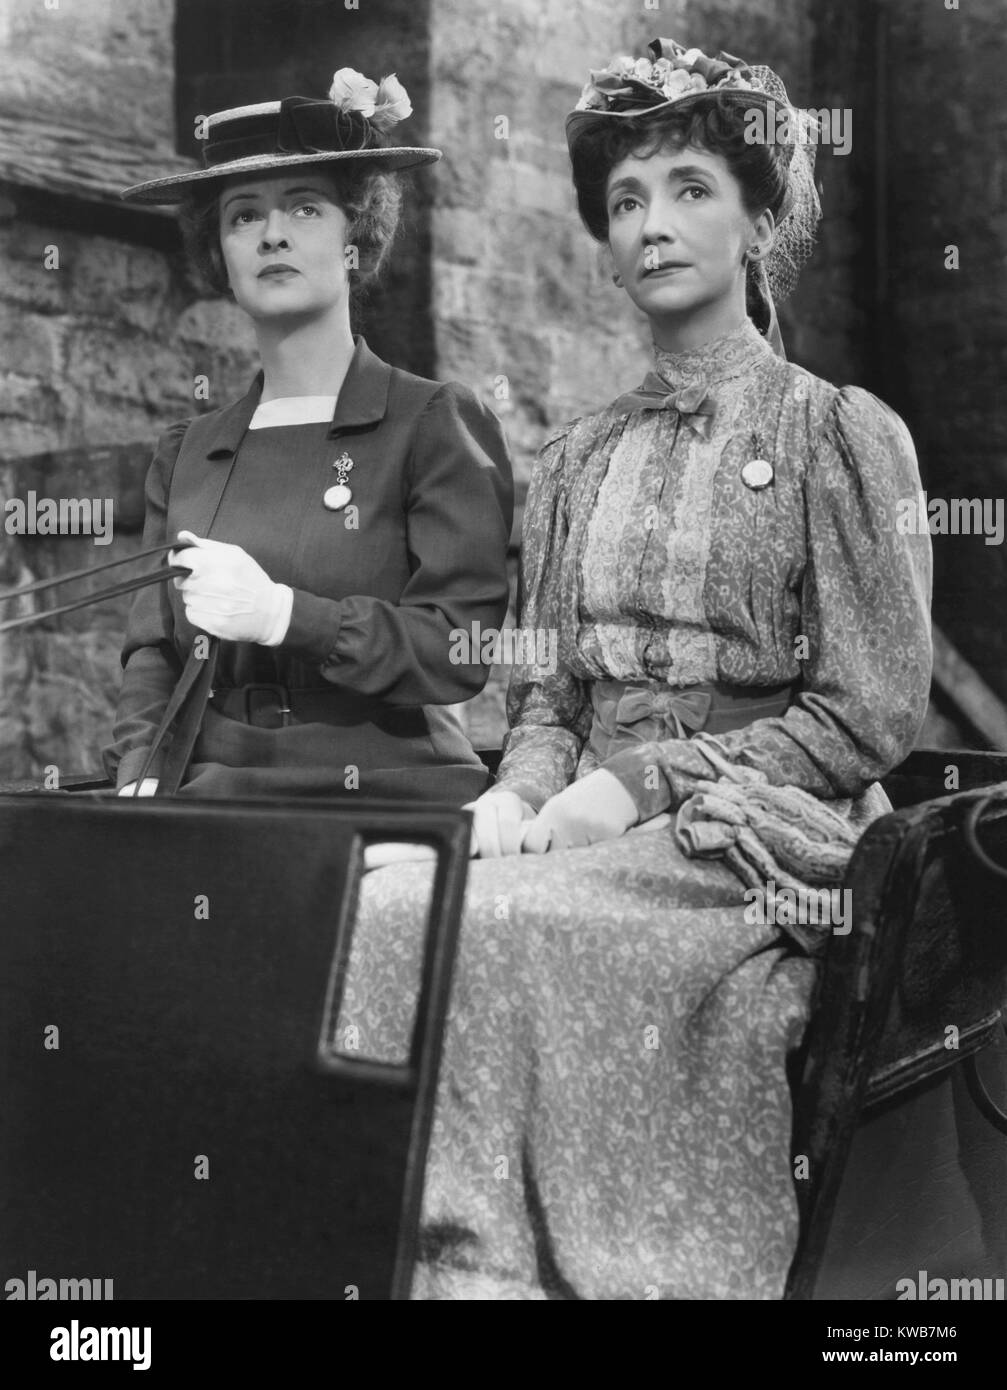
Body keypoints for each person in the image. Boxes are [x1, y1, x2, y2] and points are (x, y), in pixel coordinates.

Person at [340, 37, 933, 1298]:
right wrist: (513, 796)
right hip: (583, 818)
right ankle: (447, 1267)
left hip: (756, 830)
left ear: (757, 217)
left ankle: (614, 1276)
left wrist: (648, 784)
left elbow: (870, 707)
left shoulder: (838, 434)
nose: (651, 225)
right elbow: (548, 696)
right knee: (396, 912)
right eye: (625, 200)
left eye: (688, 189)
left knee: (518, 935)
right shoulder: (568, 461)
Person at [103, 68, 513, 801]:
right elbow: (151, 655)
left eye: (304, 208)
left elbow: (458, 649)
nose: (271, 235)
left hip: (383, 792)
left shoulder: (432, 422)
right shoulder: (188, 451)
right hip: (209, 788)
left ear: (355, 241)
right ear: (220, 258)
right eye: (242, 216)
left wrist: (286, 616)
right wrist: (141, 774)